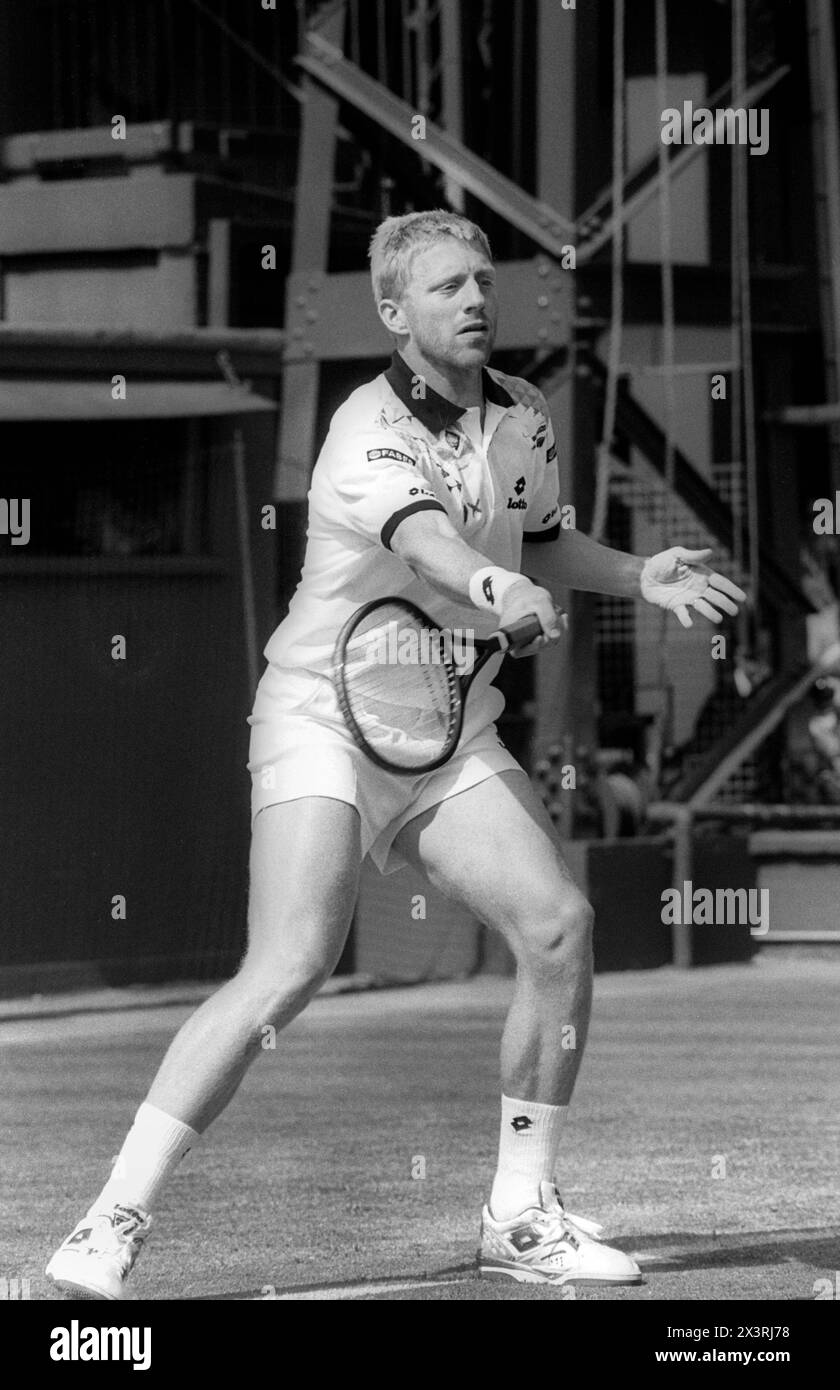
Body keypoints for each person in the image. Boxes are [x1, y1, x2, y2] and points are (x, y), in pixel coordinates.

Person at [47, 210, 746, 1297]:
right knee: (289, 965)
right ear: (392, 311)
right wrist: (494, 588)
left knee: (558, 925)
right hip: (324, 718)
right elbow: (428, 539)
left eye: (483, 281)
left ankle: (519, 1215)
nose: (475, 300)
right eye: (447, 288)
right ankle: (108, 1224)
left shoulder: (523, 414)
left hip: (449, 730)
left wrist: (636, 571)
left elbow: (543, 537)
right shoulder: (365, 430)